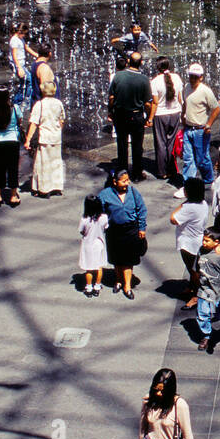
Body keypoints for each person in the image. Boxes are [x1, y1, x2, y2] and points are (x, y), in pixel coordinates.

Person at [98, 167, 147, 299]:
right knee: (117, 258)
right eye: (123, 181)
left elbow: (142, 210)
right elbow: (99, 211)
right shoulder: (105, 194)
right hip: (113, 230)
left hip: (131, 229)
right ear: (115, 182)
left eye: (127, 180)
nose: (127, 183)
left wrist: (142, 228)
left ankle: (127, 286)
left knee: (128, 260)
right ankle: (118, 280)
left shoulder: (133, 192)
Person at [180, 63, 219, 189]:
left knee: (202, 158)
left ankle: (208, 180)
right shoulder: (186, 87)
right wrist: (183, 116)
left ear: (201, 77)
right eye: (191, 76)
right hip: (188, 128)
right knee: (188, 158)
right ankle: (188, 184)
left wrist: (208, 124)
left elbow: (216, 109)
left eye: (195, 77)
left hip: (200, 130)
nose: (192, 79)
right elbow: (185, 103)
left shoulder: (205, 91)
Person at [170, 176, 209, 301]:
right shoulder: (203, 203)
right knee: (194, 268)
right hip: (198, 239)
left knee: (192, 270)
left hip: (188, 243)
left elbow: (173, 219)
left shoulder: (188, 207)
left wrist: (182, 204)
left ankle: (196, 295)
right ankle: (192, 286)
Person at [24, 80, 65, 197]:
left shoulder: (39, 104)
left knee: (43, 164)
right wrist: (58, 130)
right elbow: (61, 120)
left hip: (45, 138)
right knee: (56, 162)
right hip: (56, 137)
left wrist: (28, 139)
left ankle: (44, 189)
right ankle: (56, 187)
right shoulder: (59, 103)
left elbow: (33, 124)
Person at [193, 229, 220, 351]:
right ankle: (206, 335)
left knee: (219, 312)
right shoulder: (201, 251)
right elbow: (196, 268)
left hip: (217, 291)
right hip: (204, 290)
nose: (203, 243)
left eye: (207, 241)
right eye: (203, 240)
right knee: (202, 314)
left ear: (216, 242)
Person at [150, 57, 184, 181]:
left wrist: (150, 118)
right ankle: (172, 170)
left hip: (160, 115)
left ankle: (161, 171)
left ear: (157, 67)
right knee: (171, 142)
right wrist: (183, 111)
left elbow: (155, 102)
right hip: (175, 113)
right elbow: (180, 98)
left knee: (160, 143)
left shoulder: (154, 81)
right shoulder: (177, 78)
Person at [0, 86, 23, 207]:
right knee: (13, 168)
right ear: (8, 96)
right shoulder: (15, 108)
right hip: (12, 140)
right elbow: (20, 121)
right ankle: (13, 196)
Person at [78, 193, 109, 296]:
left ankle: (89, 287)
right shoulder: (104, 217)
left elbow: (81, 231)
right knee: (99, 266)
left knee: (89, 268)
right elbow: (105, 228)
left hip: (88, 244)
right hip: (99, 243)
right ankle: (97, 286)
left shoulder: (85, 219)